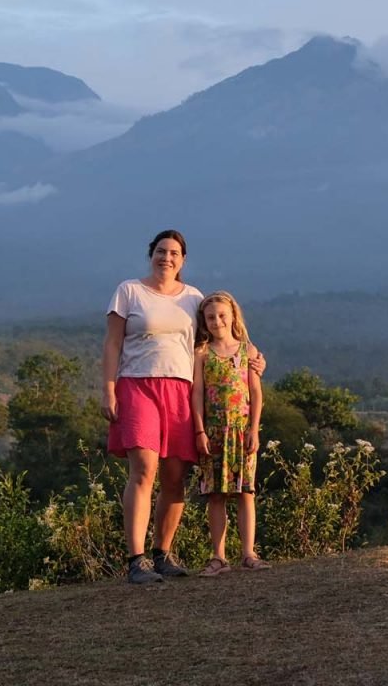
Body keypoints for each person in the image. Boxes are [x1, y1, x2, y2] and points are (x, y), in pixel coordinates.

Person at [102, 229, 264, 585]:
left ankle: (162, 554)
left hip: (181, 390)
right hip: (137, 384)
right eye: (161, 251)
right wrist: (109, 389)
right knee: (144, 471)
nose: (167, 258)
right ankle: (136, 560)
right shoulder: (129, 291)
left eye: (174, 253)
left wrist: (254, 359)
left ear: (183, 259)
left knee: (176, 477)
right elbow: (112, 343)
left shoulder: (193, 297)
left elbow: (220, 339)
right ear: (151, 254)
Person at [191, 290, 270, 575]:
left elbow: (256, 394)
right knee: (216, 494)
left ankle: (249, 552)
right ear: (204, 320)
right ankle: (218, 556)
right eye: (210, 317)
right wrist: (199, 430)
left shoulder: (248, 350)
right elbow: (197, 394)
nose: (217, 321)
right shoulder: (201, 353)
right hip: (213, 432)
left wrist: (254, 430)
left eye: (222, 315)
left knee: (246, 492)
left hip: (242, 432)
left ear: (233, 315)